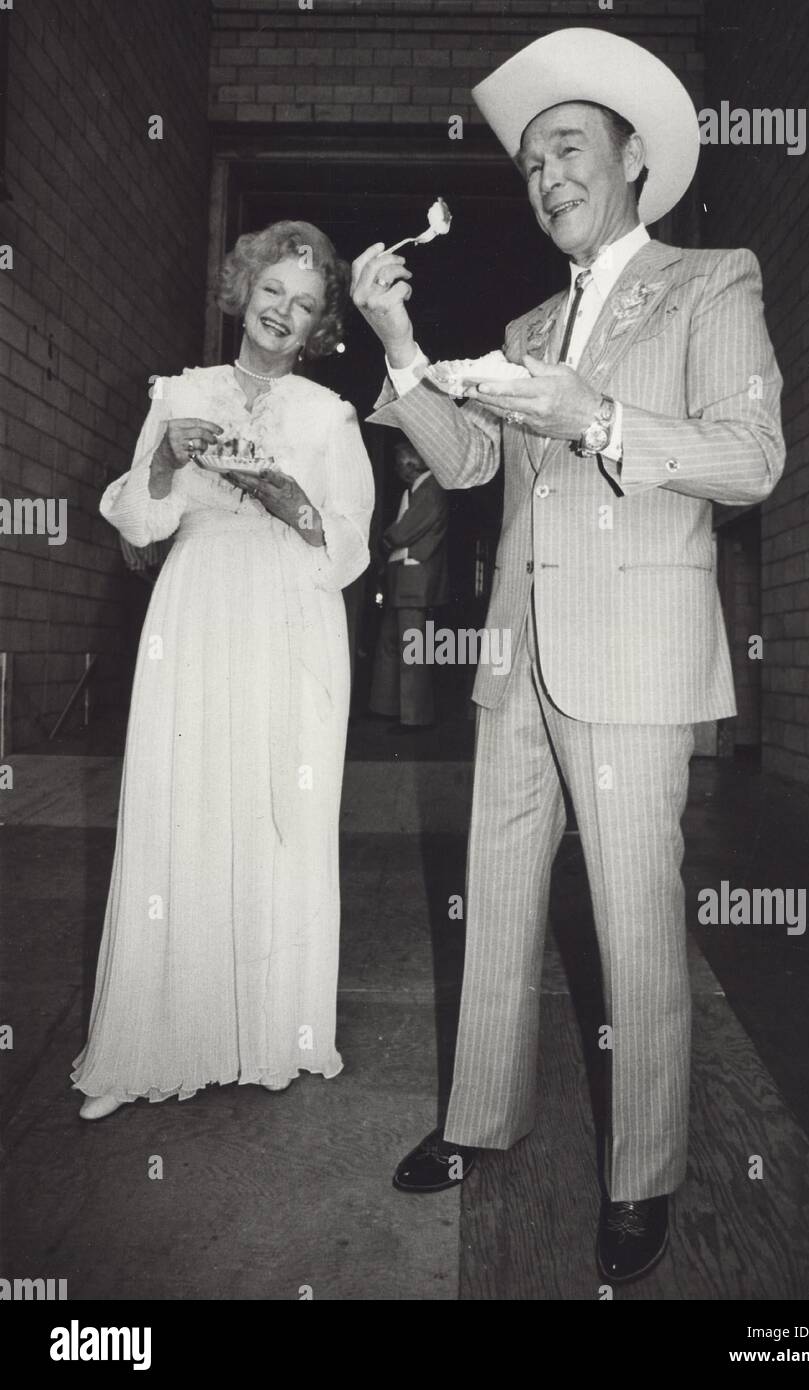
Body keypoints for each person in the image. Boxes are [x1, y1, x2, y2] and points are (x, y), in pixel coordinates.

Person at [351, 29, 784, 1283]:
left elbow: (748, 459)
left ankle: (640, 1174)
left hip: (638, 654)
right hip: (518, 654)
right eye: (532, 159)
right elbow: (478, 463)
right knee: (494, 893)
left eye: (567, 148)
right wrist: (395, 344)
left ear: (632, 160)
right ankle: (478, 1118)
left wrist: (593, 414)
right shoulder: (530, 320)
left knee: (633, 919)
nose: (544, 175)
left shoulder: (713, 281)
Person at [72, 220, 374, 1119]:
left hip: (290, 613)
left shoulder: (329, 416)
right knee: (182, 803)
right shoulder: (180, 392)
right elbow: (137, 526)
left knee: (279, 809)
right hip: (196, 606)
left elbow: (352, 545)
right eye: (273, 290)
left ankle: (271, 1035)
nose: (284, 312)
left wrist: (288, 499)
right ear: (243, 289)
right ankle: (142, 1048)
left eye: (307, 305)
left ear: (321, 326)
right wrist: (166, 458)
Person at [369, 434, 449, 731]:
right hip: (402, 578)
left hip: (415, 581)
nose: (398, 467)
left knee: (410, 650)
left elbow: (404, 532)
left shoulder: (431, 488)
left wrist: (384, 540)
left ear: (412, 462)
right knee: (391, 644)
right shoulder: (418, 489)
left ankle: (414, 717)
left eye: (401, 460)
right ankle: (387, 707)